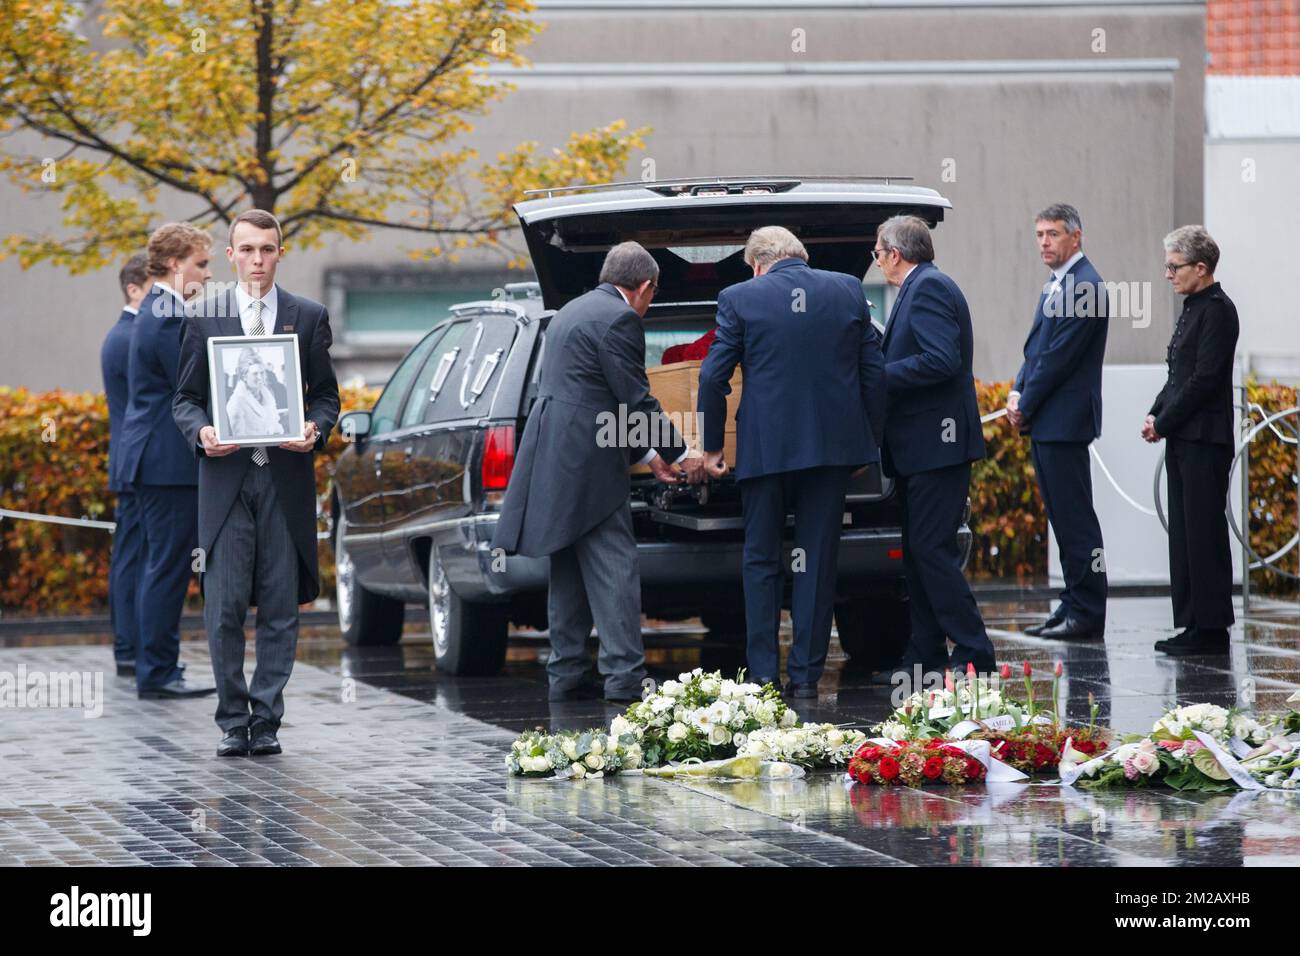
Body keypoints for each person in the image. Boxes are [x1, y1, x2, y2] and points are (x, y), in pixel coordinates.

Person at [492, 241, 705, 702]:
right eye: (653, 295)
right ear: (644, 286)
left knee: (569, 567)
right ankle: (625, 678)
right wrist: (683, 453)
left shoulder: (570, 311)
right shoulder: (620, 319)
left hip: (559, 455)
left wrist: (650, 455)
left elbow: (596, 394)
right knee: (615, 568)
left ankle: (566, 673)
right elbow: (636, 399)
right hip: (589, 463)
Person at [174, 209, 340, 757]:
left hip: (284, 480)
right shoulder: (203, 317)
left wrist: (316, 428)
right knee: (222, 608)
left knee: (279, 607)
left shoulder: (308, 316)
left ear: (280, 253)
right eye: (246, 250)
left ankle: (266, 720)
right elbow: (184, 398)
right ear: (230, 256)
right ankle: (232, 720)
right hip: (226, 481)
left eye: (267, 249)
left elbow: (326, 395)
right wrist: (202, 432)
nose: (257, 260)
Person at [696, 226, 885, 698]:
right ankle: (805, 678)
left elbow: (712, 376)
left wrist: (712, 447)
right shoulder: (847, 289)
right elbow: (874, 374)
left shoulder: (739, 298)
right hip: (831, 453)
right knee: (816, 562)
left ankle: (763, 677)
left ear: (758, 264)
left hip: (766, 451)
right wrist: (867, 446)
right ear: (801, 255)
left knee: (761, 560)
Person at [873, 215, 995, 681]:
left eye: (878, 253)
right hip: (921, 448)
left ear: (895, 254)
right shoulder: (919, 287)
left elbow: (942, 359)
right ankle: (924, 656)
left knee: (931, 551)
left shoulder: (928, 288)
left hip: (937, 447)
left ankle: (974, 652)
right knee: (918, 552)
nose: (877, 261)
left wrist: (878, 376)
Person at [114, 223, 216, 700]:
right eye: (201, 264)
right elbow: (193, 387)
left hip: (156, 459)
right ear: (175, 264)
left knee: (161, 565)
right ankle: (157, 671)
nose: (208, 274)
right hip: (166, 463)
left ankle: (157, 667)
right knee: (167, 568)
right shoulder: (166, 316)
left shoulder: (157, 311)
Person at [1007, 203, 1109, 640]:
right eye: (1039, 234)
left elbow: (1057, 359)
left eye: (1053, 234)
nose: (1044, 242)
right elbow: (1037, 351)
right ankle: (1071, 604)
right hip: (1050, 421)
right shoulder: (1059, 282)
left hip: (1065, 422)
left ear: (1075, 236)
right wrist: (1017, 390)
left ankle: (1087, 612)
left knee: (1076, 521)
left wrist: (1025, 405)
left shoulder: (1085, 286)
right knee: (1062, 520)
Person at [1143, 226, 1239, 657]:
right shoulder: (1193, 307)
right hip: (1185, 436)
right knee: (1183, 534)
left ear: (1201, 268)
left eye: (1174, 266)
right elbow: (1176, 376)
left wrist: (1164, 422)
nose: (1169, 274)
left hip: (1205, 439)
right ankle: (1192, 623)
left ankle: (1212, 628)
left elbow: (1204, 380)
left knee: (1203, 534)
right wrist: (1155, 413)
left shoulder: (1218, 311)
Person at [101, 251, 150, 678]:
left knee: (133, 556)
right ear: (133, 289)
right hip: (137, 463)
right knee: (133, 558)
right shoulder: (130, 337)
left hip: (133, 460)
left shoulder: (127, 334)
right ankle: (128, 647)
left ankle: (130, 646)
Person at [225, 349, 285, 438]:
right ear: (244, 377)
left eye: (262, 373)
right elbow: (238, 439)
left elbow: (276, 424)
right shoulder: (236, 403)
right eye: (255, 374)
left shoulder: (268, 397)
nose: (260, 377)